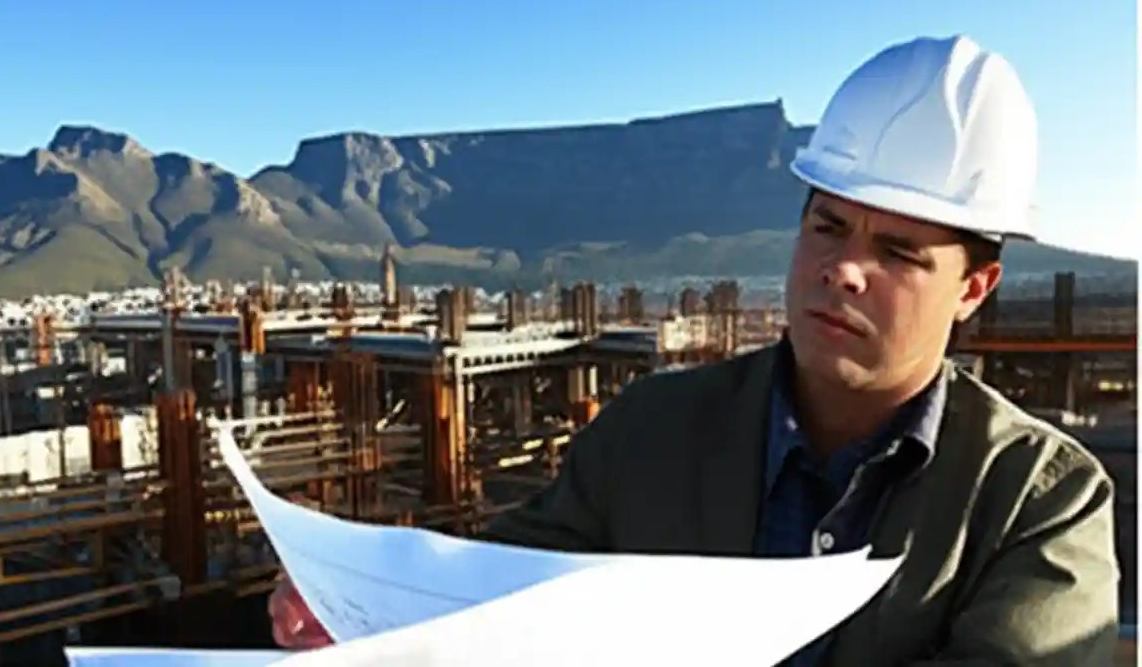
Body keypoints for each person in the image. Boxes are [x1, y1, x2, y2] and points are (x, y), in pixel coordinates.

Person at [268, 35, 1121, 665]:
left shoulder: (1041, 503)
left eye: (899, 253)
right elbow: (492, 591)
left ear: (975, 287)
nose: (844, 270)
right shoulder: (650, 429)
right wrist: (359, 607)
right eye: (827, 226)